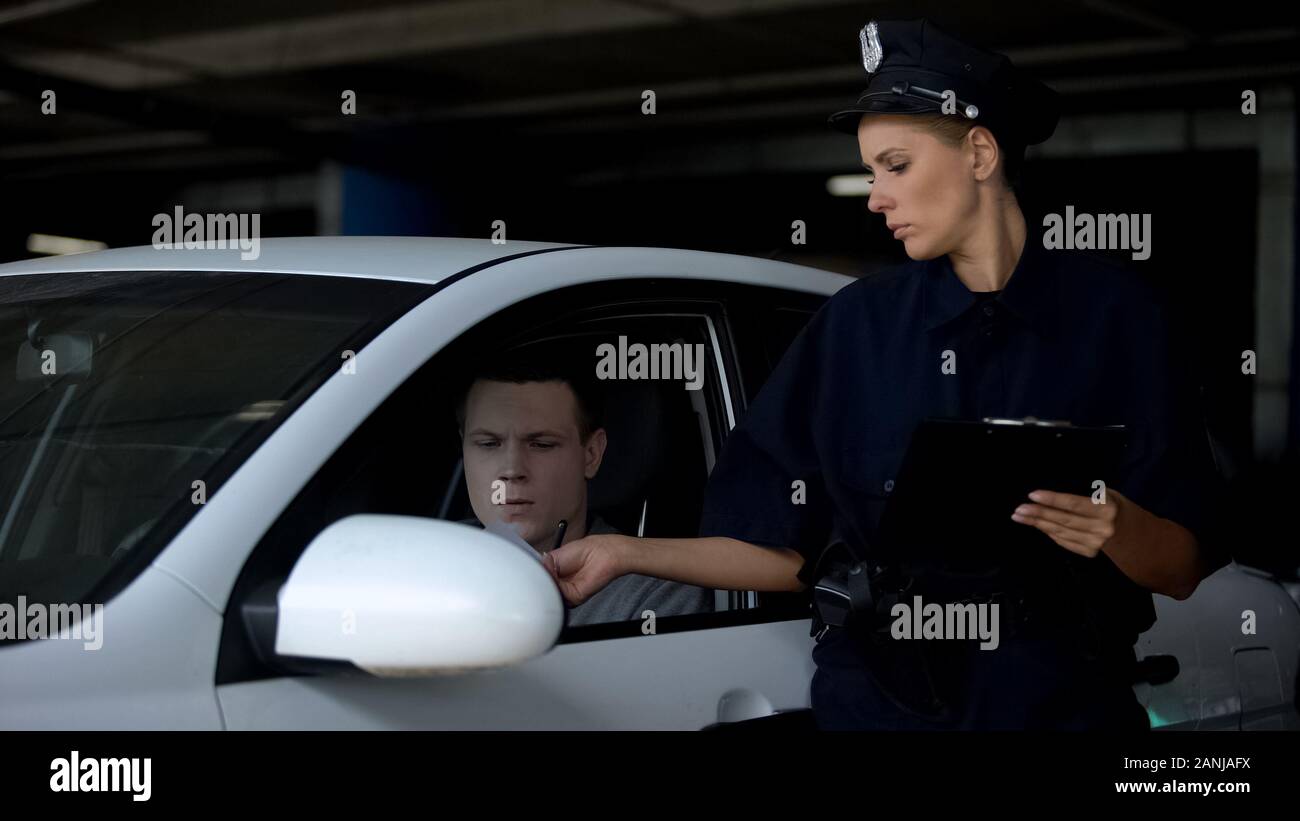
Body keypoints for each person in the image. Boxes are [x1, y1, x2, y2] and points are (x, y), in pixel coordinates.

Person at [544, 18, 1228, 728]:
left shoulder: (1121, 319)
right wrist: (623, 552)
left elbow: (1181, 567)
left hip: (1062, 708)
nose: (875, 197)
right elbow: (786, 552)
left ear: (981, 152)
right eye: (871, 173)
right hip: (880, 711)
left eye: (896, 166)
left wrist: (1116, 525)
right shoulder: (853, 330)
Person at [455, 347, 713, 627]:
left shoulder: (654, 597)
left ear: (591, 455)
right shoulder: (426, 563)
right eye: (488, 444)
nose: (512, 471)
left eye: (542, 445)